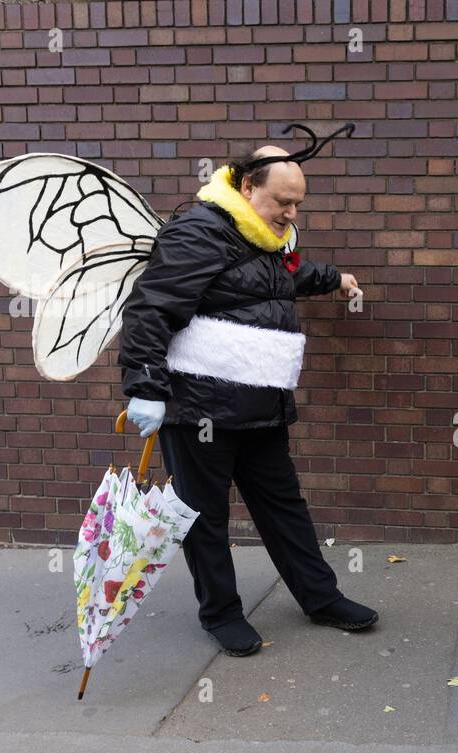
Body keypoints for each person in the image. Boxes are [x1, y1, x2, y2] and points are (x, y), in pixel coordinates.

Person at [118, 143, 378, 656]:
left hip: (260, 407)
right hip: (197, 410)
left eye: (298, 204)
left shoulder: (265, 239)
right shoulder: (196, 232)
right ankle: (221, 614)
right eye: (282, 201)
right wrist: (144, 388)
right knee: (204, 514)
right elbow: (150, 310)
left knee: (284, 506)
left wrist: (335, 279)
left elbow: (281, 278)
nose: (291, 213)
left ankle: (320, 598)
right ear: (246, 186)